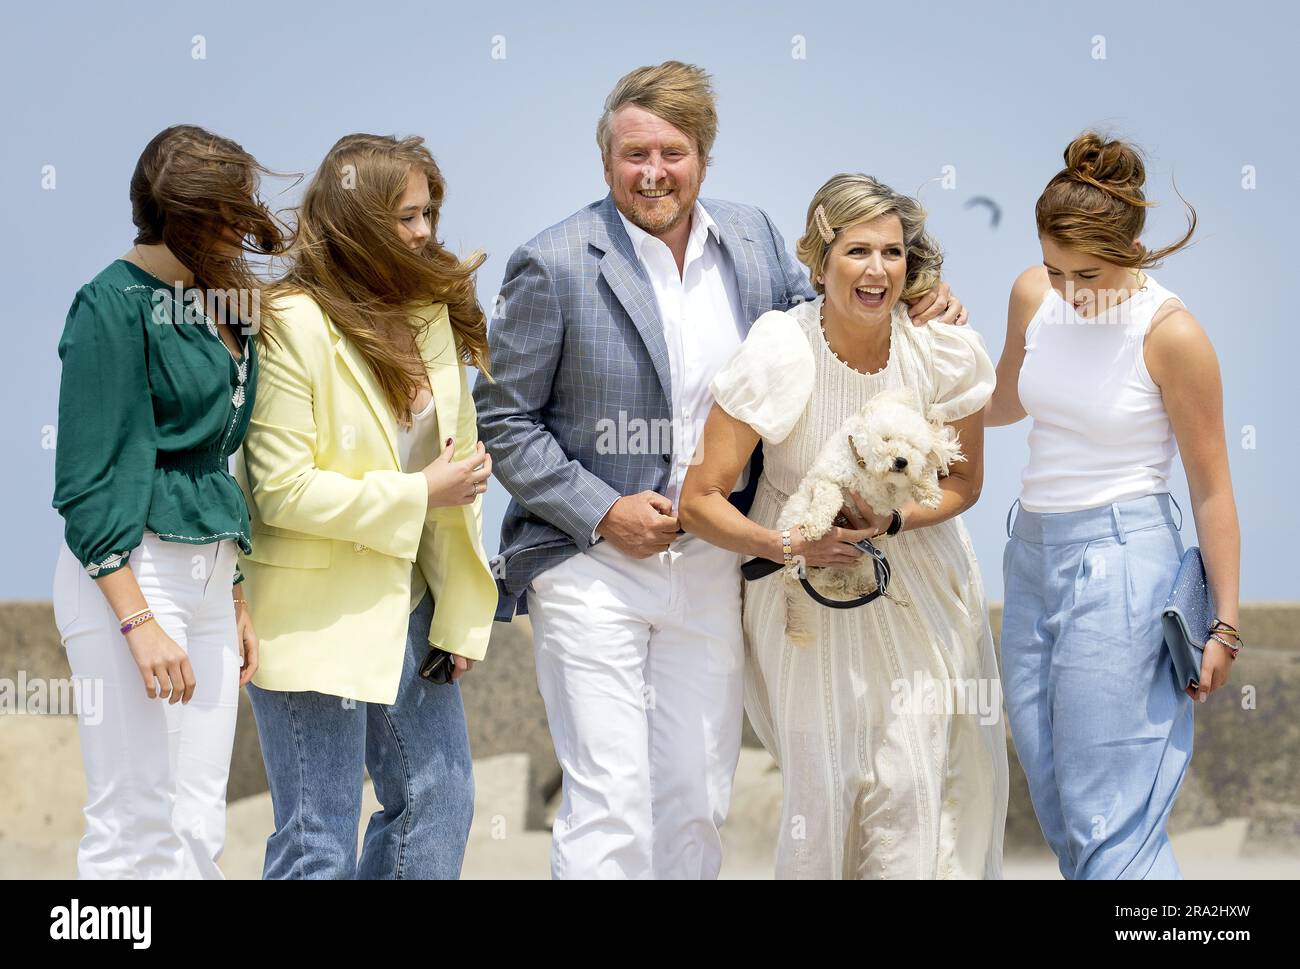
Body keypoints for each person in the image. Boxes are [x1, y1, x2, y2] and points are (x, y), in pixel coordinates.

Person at [475, 61, 965, 879]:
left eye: (672, 151)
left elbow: (823, 317)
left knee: (698, 798)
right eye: (634, 154)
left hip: (717, 558)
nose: (653, 171)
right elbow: (502, 416)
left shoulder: (752, 238)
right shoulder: (551, 263)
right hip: (589, 564)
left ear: (702, 156)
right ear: (605, 162)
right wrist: (600, 510)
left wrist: (923, 298)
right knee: (611, 798)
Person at [679, 173, 1008, 879]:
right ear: (820, 258)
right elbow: (699, 498)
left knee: (911, 787)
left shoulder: (942, 349)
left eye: (893, 253)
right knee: (822, 792)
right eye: (858, 251)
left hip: (917, 586)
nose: (877, 270)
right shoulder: (780, 348)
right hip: (800, 593)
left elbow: (964, 482)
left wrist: (893, 518)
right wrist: (791, 543)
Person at [237, 134, 498, 879]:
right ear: (355, 219)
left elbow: (461, 476)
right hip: (310, 611)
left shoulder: (430, 316)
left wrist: (458, 612)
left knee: (440, 802)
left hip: (410, 605)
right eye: (406, 216)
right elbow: (281, 487)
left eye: (427, 213)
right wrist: (419, 494)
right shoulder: (288, 320)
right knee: (317, 840)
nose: (423, 232)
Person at [986, 131, 1242, 879]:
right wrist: (927, 351)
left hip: (1124, 562)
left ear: (1134, 247)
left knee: (1111, 819)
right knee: (1062, 803)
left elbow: (1212, 485)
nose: (1069, 289)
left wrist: (1224, 620)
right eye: (1054, 268)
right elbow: (1003, 398)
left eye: (1087, 273)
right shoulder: (1035, 295)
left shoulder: (1173, 335)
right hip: (1030, 556)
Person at [51, 124, 287, 878]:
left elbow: (213, 463)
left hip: (211, 575)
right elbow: (85, 483)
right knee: (134, 825)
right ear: (186, 214)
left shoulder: (219, 300)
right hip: (131, 571)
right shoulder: (110, 304)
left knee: (194, 829)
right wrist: (137, 619)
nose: (244, 228)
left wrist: (236, 591)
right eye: (229, 212)